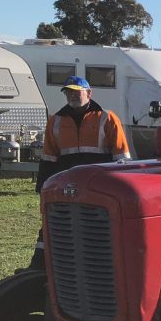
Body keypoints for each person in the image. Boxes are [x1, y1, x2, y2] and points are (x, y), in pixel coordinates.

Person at [30, 76, 130, 268]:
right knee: (54, 226)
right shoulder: (56, 121)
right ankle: (39, 267)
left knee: (95, 227)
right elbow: (49, 158)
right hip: (65, 185)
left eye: (77, 91)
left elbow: (122, 158)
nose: (72, 95)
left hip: (99, 186)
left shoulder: (107, 118)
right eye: (69, 92)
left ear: (89, 93)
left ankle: (100, 267)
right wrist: (43, 188)